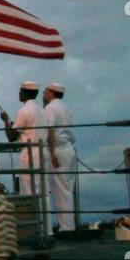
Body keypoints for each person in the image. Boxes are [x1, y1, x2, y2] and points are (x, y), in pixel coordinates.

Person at [1, 80, 45, 197]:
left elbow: (11, 137)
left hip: (29, 152)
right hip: (43, 151)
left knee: (28, 189)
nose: (19, 94)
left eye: (20, 91)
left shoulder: (24, 111)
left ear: (25, 93)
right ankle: (44, 214)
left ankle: (34, 214)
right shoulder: (42, 110)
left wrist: (5, 121)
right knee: (43, 189)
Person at [43, 83, 76, 232]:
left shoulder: (50, 108)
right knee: (67, 188)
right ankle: (69, 225)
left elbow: (49, 131)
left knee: (58, 189)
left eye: (45, 91)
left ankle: (65, 227)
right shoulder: (66, 107)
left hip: (58, 150)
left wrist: (52, 154)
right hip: (69, 149)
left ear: (51, 92)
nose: (43, 93)